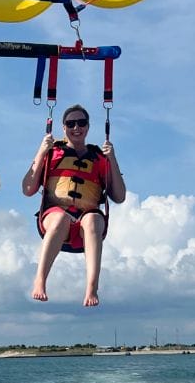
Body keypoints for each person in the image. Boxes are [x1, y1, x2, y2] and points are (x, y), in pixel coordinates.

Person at [22, 105, 126, 307]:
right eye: (71, 124)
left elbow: (119, 196)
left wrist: (112, 158)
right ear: (63, 127)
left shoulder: (99, 157)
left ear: (88, 127)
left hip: (86, 220)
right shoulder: (53, 152)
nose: (76, 127)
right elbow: (27, 188)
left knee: (95, 219)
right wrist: (41, 151)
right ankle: (40, 281)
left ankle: (92, 287)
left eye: (81, 123)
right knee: (60, 218)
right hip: (55, 215)